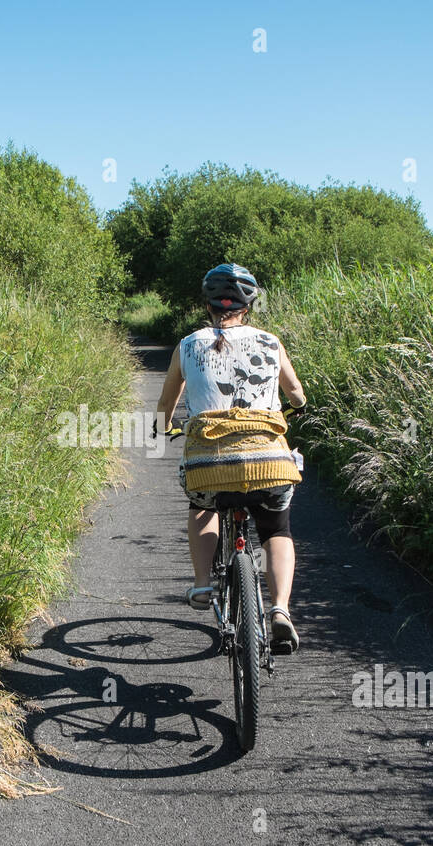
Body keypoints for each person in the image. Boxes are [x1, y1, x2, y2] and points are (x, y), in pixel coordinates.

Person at [154, 263, 307, 654]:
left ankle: (203, 583)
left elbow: (164, 410)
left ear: (207, 303)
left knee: (202, 505)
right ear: (249, 304)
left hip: (211, 466)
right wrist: (288, 411)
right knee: (276, 530)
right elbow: (298, 396)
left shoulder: (188, 345)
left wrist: (165, 429)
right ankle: (281, 611)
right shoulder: (271, 343)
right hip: (269, 462)